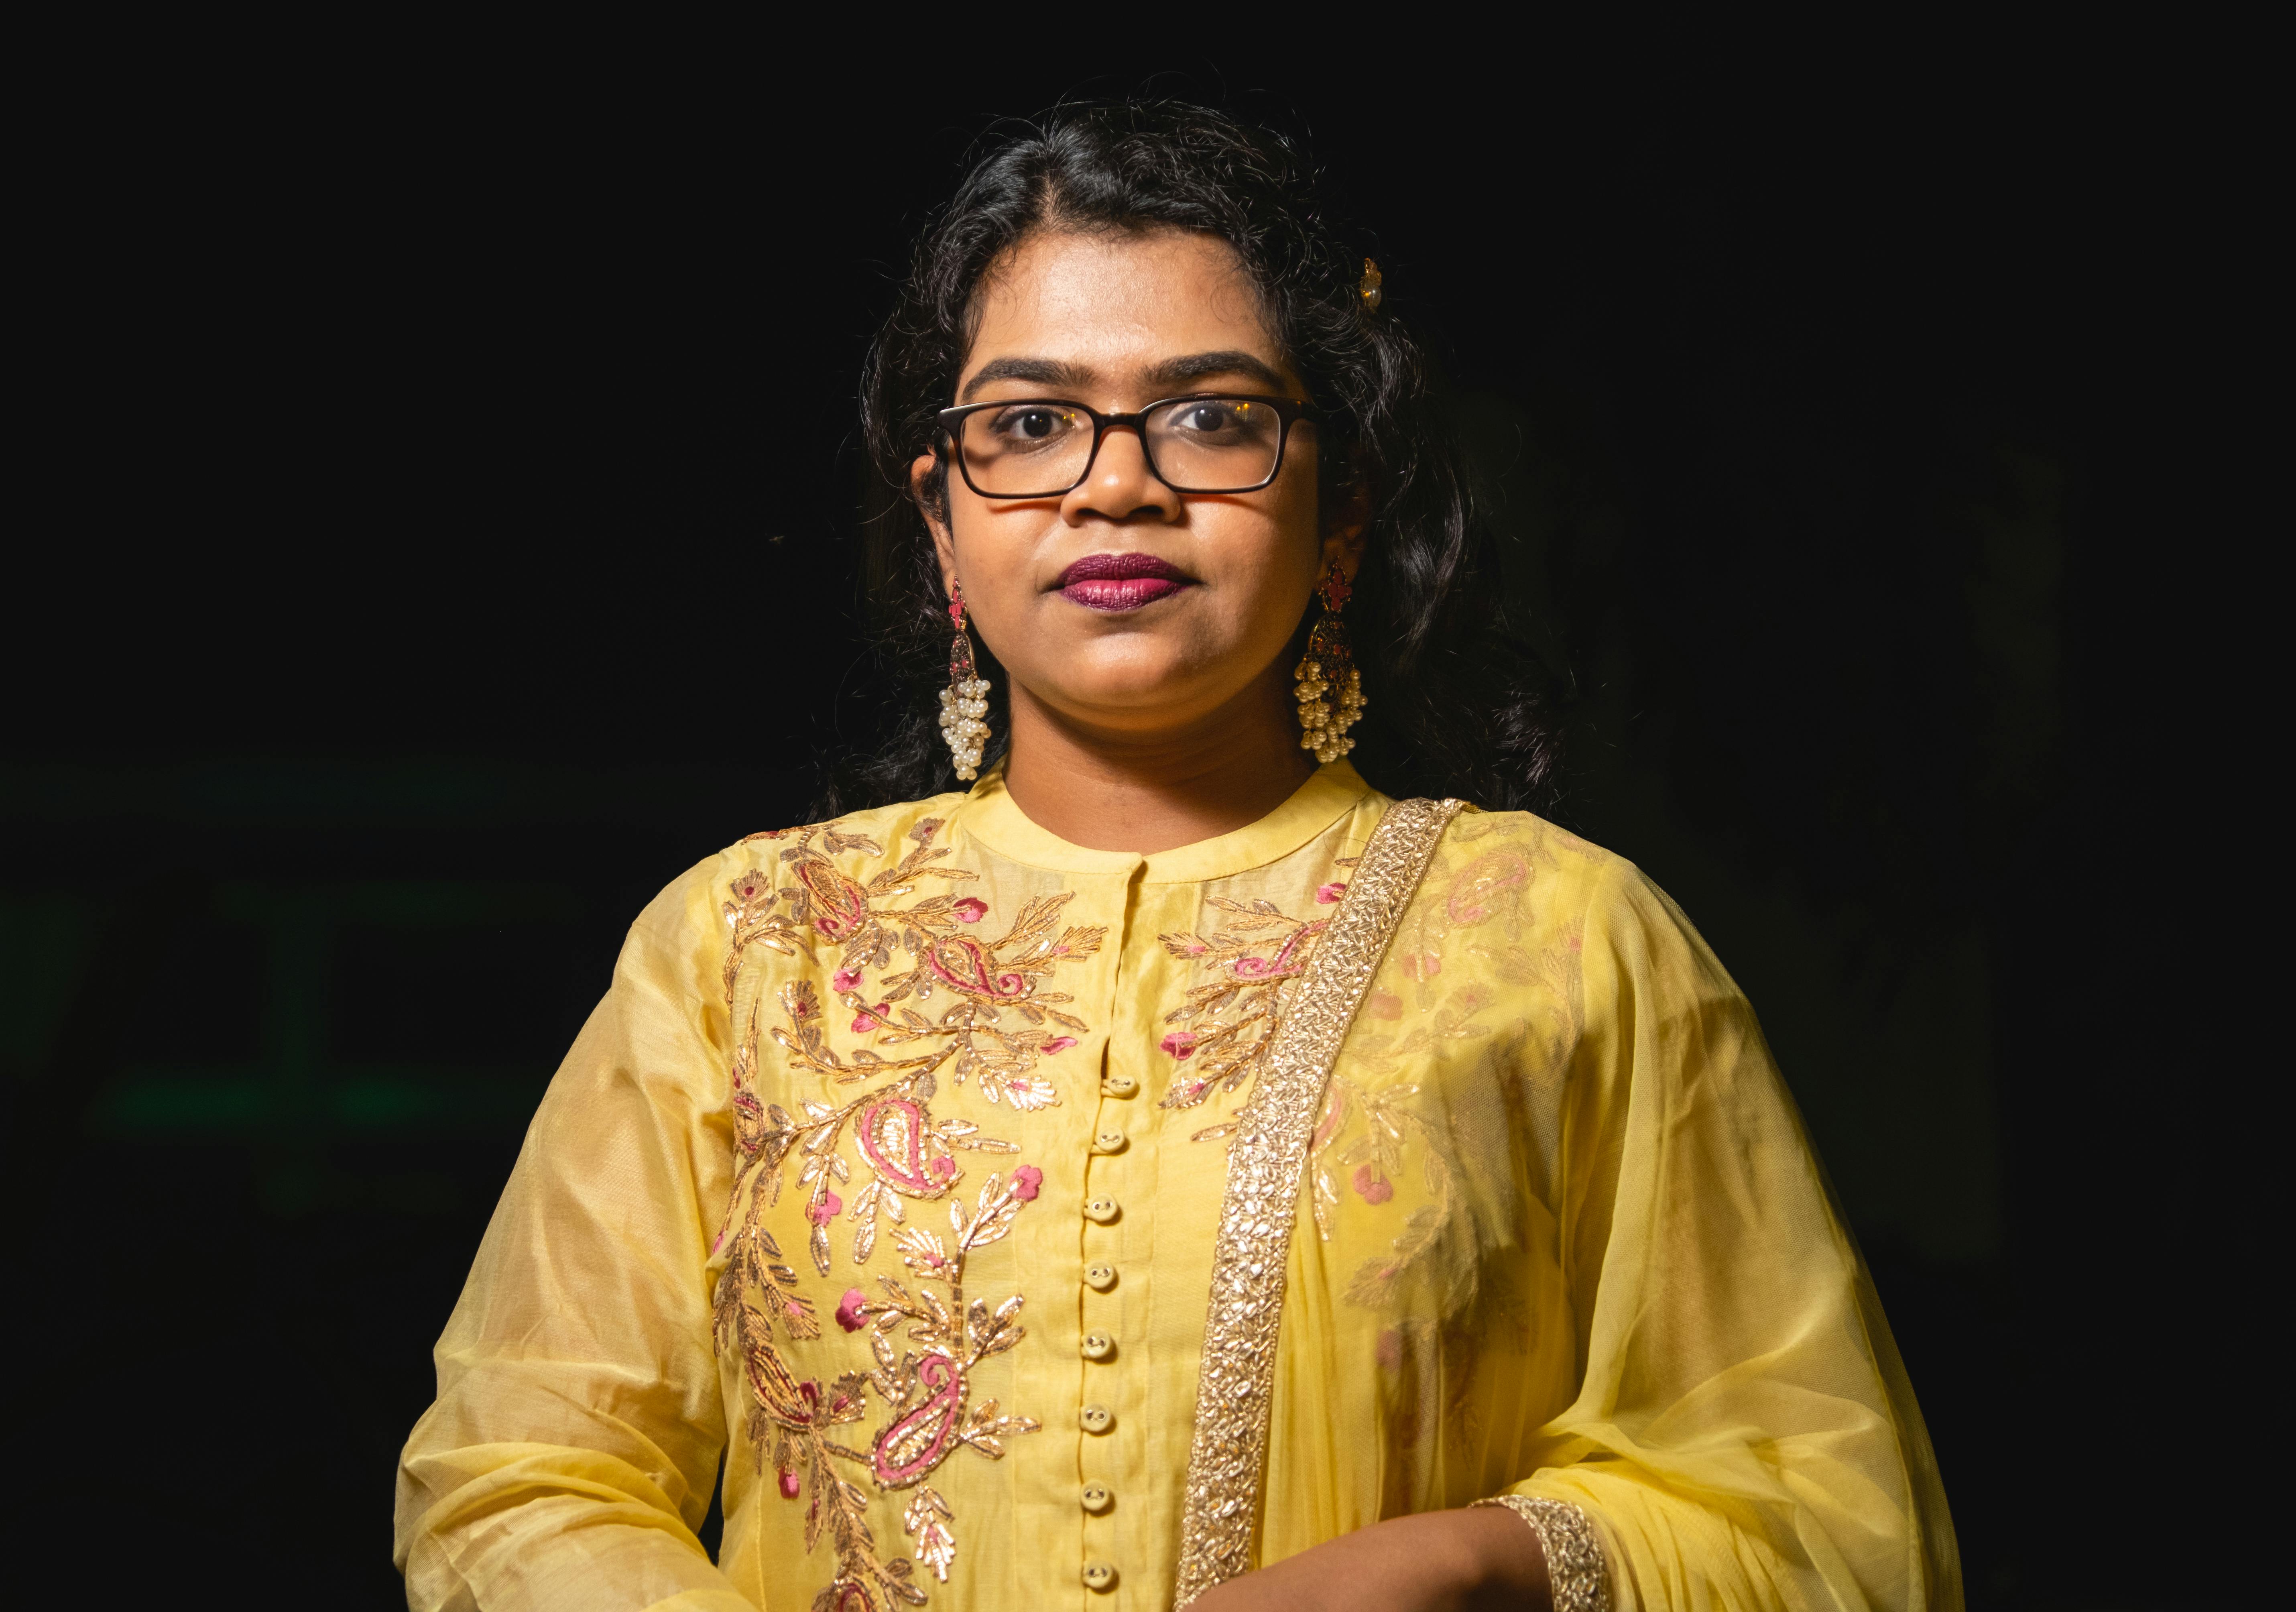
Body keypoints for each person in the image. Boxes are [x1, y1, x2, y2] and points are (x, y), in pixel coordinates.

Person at [395, 102, 1960, 1612]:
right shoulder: (747, 943)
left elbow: (1828, 1526)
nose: (1116, 483)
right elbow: (516, 1481)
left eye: (1211, 417)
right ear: (943, 522)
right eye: (1029, 424)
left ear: (1339, 512)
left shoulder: (1560, 937)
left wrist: (1471, 1560)